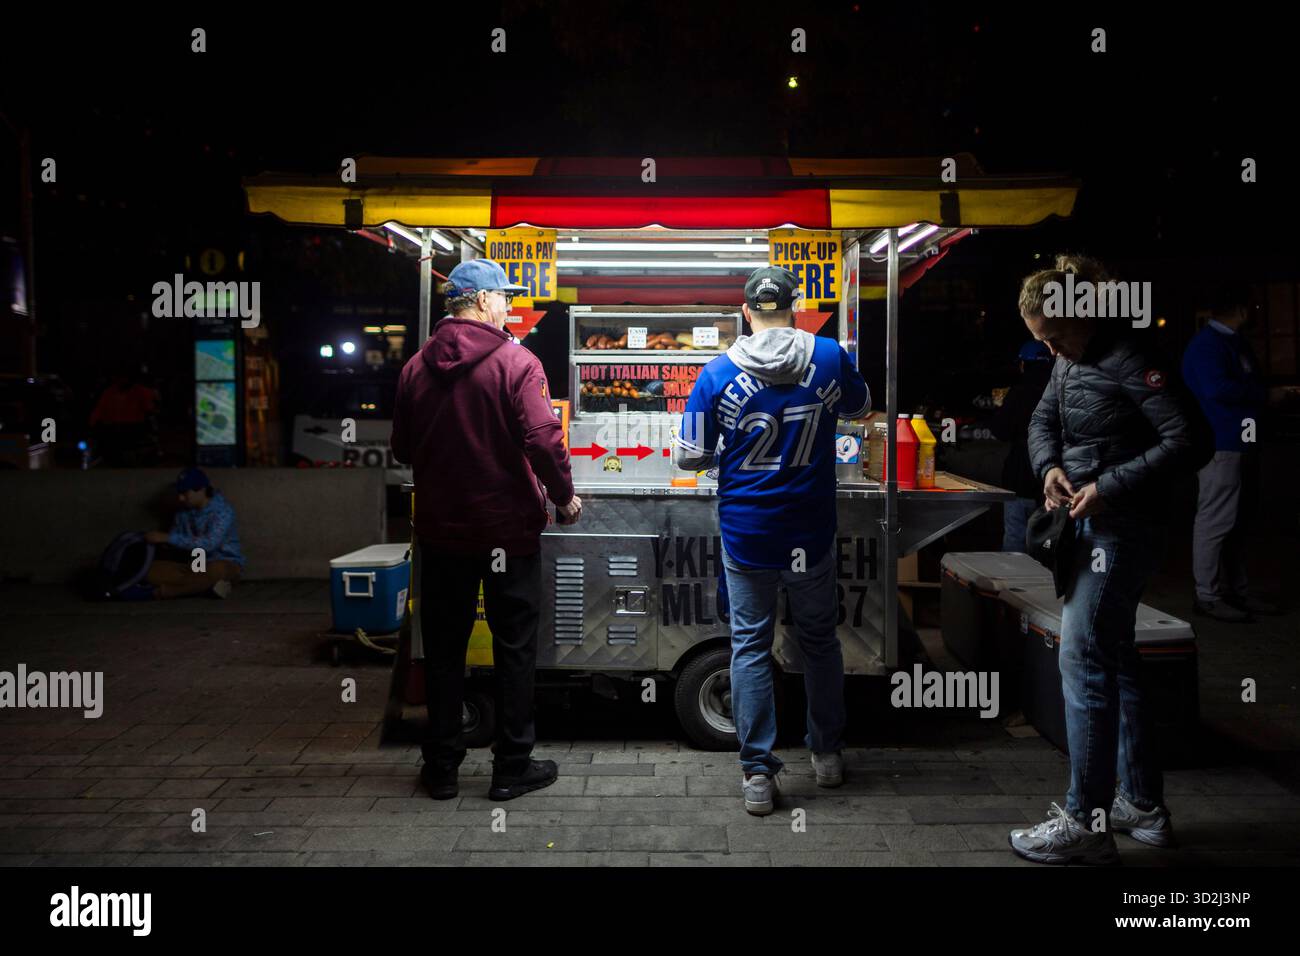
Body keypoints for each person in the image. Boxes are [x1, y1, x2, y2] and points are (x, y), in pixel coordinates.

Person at [1010, 254, 1212, 864]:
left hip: (1121, 533)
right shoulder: (1069, 360)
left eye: (1054, 336)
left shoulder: (1132, 359)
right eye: (1040, 343)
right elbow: (1041, 420)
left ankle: (1087, 824)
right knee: (1117, 664)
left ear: (1082, 314)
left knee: (1084, 662)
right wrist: (1049, 467)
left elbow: (1191, 441)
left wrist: (1111, 485)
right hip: (1086, 530)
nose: (1050, 351)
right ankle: (1141, 807)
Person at [676, 266, 870, 816]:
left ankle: (758, 776)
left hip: (748, 532)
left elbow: (690, 454)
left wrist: (727, 452)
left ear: (745, 312)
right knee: (819, 642)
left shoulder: (716, 372)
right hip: (810, 527)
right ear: (796, 306)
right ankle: (827, 755)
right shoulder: (829, 356)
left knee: (750, 647)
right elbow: (860, 407)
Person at [390, 258, 580, 803]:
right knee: (514, 648)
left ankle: (443, 767)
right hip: (507, 532)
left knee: (445, 648)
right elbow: (544, 440)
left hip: (441, 534)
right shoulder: (518, 363)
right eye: (503, 298)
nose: (509, 307)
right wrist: (563, 497)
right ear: (478, 302)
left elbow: (403, 448)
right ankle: (511, 767)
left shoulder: (414, 369)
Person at [1181, 283, 1276, 622]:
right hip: (1221, 443)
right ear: (1241, 310)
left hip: (1240, 441)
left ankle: (1236, 591)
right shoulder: (1208, 345)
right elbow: (1216, 388)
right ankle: (1207, 595)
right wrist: (1264, 395)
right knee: (1216, 520)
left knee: (1238, 521)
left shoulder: (1230, 342)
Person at [135, 467, 245, 599]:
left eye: (185, 493)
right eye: (179, 493)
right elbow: (177, 542)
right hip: (193, 566)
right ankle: (206, 589)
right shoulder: (183, 513)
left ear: (202, 489)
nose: (181, 498)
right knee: (148, 570)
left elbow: (209, 544)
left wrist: (168, 538)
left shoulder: (223, 511)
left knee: (216, 571)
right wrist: (160, 542)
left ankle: (164, 592)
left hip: (224, 563)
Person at [990, 340, 1054, 552]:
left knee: (1016, 536)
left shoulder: (1019, 393)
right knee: (1049, 541)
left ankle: (1014, 583)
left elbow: (1000, 431)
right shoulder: (1060, 389)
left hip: (1020, 478)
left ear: (1024, 364)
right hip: (1053, 480)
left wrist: (999, 409)